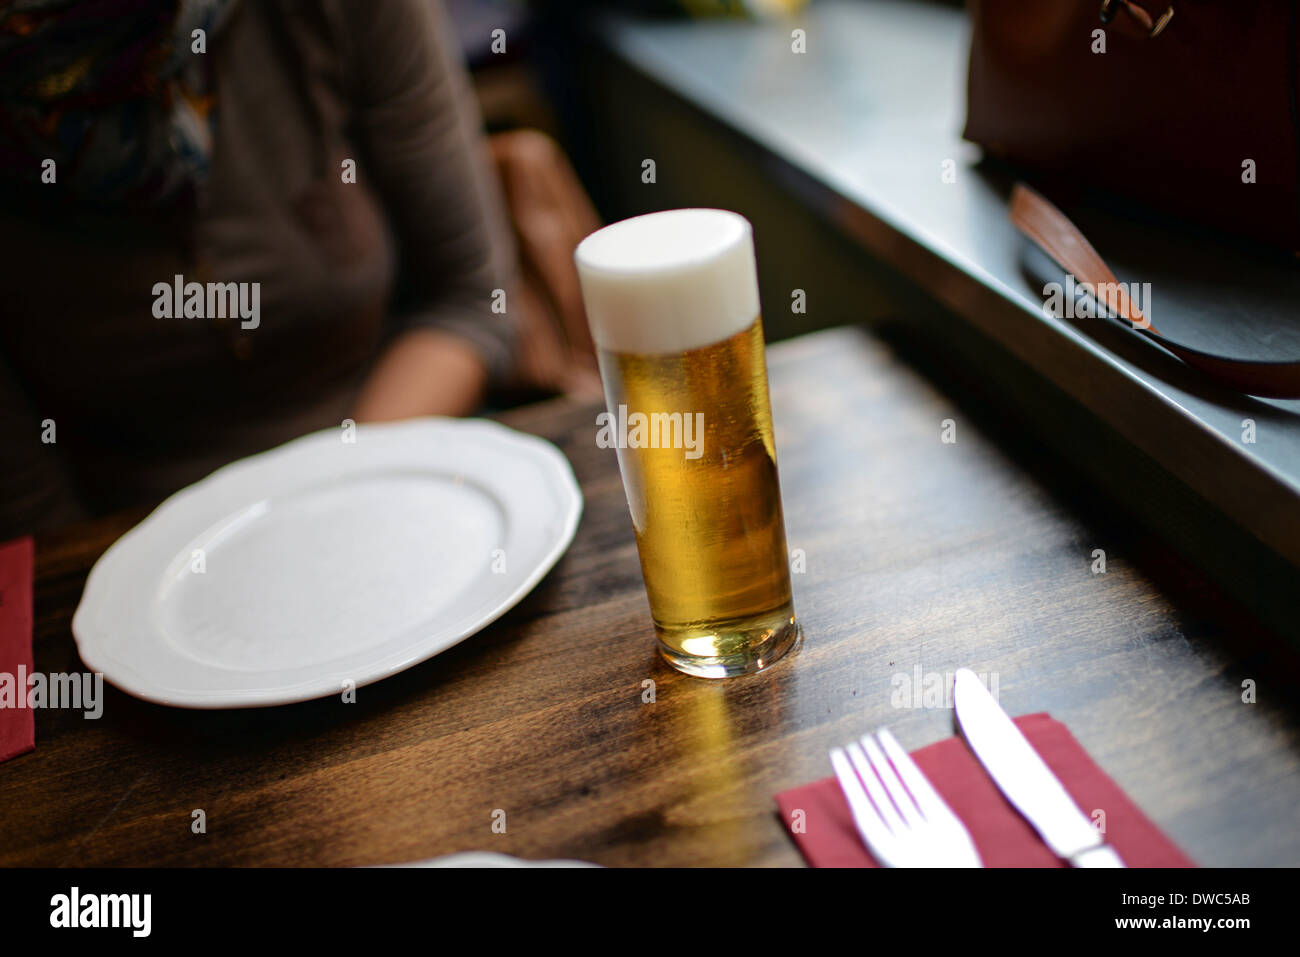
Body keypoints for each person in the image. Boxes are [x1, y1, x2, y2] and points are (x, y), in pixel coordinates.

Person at [0, 0, 522, 537]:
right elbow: (31, 518)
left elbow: (470, 301)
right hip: (129, 548)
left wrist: (332, 517)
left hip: (399, 475)